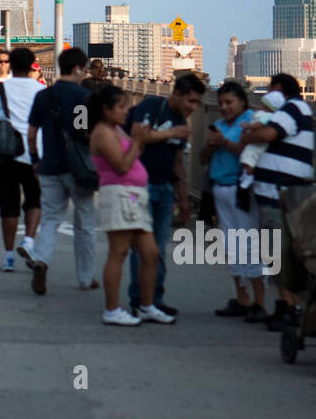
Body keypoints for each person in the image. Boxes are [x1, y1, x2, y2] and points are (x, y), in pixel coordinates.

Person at [88, 85, 174, 326]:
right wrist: (137, 142)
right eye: (121, 107)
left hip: (133, 195)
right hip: (119, 193)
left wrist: (138, 141)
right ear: (106, 110)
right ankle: (112, 309)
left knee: (150, 252)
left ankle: (146, 305)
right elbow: (122, 166)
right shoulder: (103, 133)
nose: (126, 112)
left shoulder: (115, 129)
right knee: (119, 252)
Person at [124, 72, 206, 317]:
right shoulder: (153, 106)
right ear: (176, 94)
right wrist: (171, 134)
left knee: (159, 248)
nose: (192, 107)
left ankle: (154, 298)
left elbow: (179, 162)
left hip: (165, 188)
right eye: (189, 101)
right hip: (141, 186)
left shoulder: (182, 122)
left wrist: (183, 198)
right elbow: (138, 136)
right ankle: (138, 299)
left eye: (197, 103)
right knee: (142, 248)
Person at [239, 72, 315, 333]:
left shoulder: (292, 107)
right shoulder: (297, 109)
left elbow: (269, 134)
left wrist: (249, 135)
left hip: (279, 194)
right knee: (277, 252)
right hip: (278, 192)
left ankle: (288, 307)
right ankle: (286, 305)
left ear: (279, 89)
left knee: (278, 252)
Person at [26, 47, 97, 297]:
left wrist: (35, 160)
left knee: (51, 218)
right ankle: (86, 277)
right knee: (85, 222)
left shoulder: (44, 96)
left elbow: (32, 135)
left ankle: (42, 261)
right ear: (78, 68)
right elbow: (82, 132)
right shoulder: (82, 96)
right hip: (77, 169)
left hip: (49, 166)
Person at [202, 81, 264, 321]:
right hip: (220, 189)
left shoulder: (251, 121)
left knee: (249, 244)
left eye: (229, 102)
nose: (224, 107)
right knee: (232, 245)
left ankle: (259, 301)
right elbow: (202, 158)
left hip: (242, 189)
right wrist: (209, 145)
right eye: (221, 103)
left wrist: (224, 143)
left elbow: (250, 152)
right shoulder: (217, 125)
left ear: (242, 102)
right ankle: (242, 297)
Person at [0, 46, 41, 271]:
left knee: (8, 203)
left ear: (11, 65)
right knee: (34, 199)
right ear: (33, 66)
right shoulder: (41, 91)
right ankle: (29, 240)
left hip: (4, 153)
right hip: (34, 154)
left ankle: (8, 255)